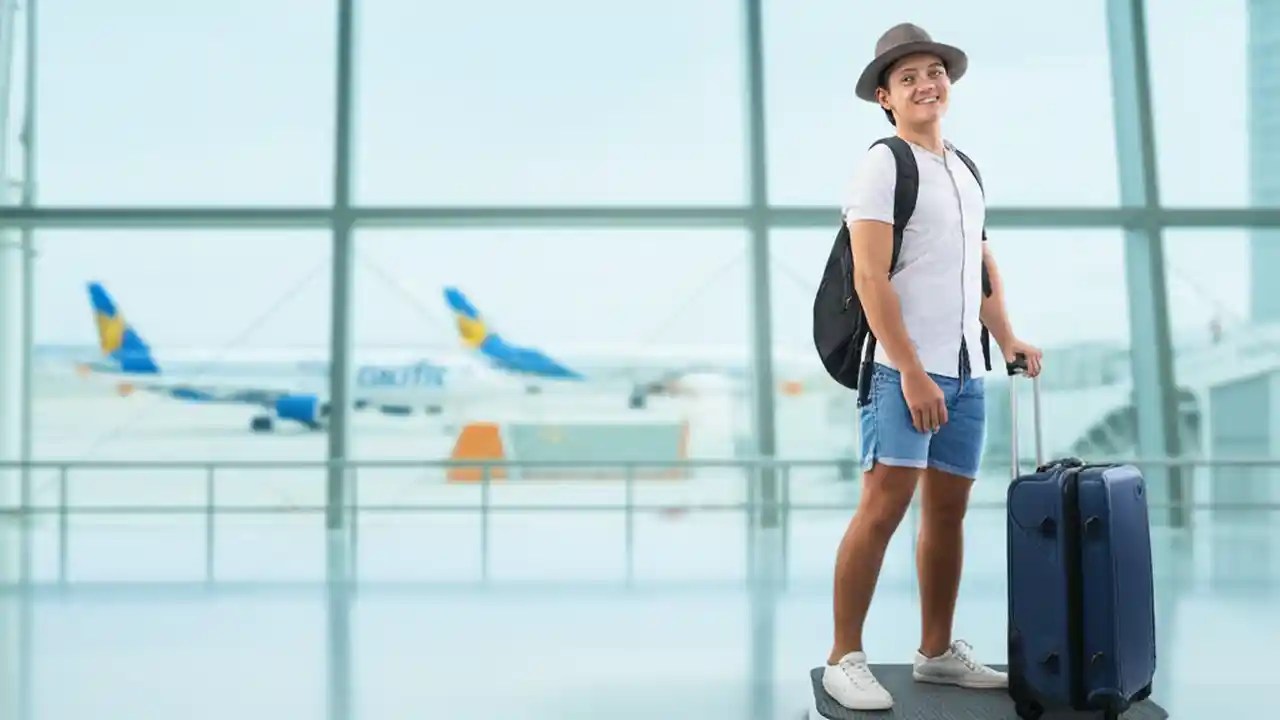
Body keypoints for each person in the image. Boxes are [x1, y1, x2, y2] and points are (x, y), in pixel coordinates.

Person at [821, 23, 1044, 711]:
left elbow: (978, 268)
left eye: (934, 71)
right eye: (909, 77)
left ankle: (936, 651)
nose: (926, 84)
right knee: (883, 508)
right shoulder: (883, 165)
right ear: (885, 98)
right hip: (898, 372)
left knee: (947, 514)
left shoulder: (965, 169)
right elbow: (868, 276)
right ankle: (843, 657)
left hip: (963, 371)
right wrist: (911, 371)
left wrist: (1006, 338)